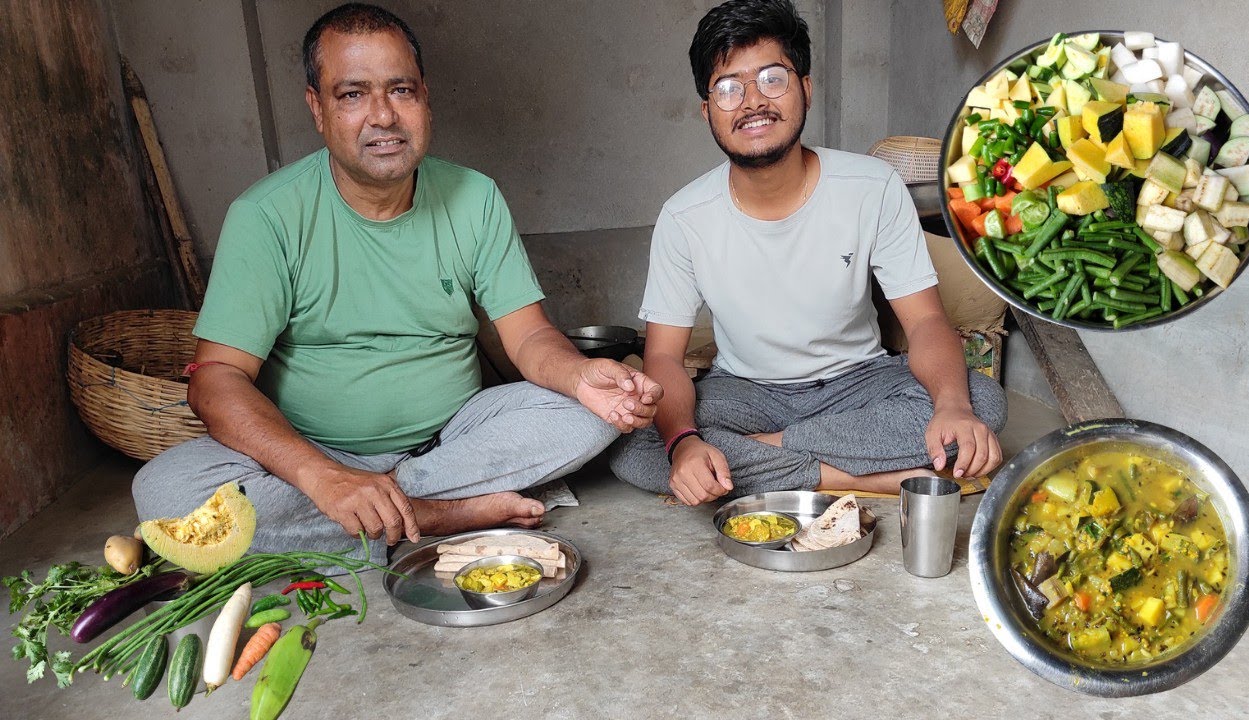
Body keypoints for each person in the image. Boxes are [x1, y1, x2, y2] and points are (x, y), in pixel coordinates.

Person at [133, 3, 661, 556]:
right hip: (311, 451)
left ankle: (378, 509)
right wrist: (322, 477)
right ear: (317, 108)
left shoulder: (475, 197)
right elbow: (216, 380)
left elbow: (528, 336)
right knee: (166, 492)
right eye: (352, 95)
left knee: (590, 414)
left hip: (451, 441)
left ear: (425, 98)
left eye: (401, 90)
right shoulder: (266, 215)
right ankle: (438, 514)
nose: (383, 116)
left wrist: (578, 376)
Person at [609, 0, 1005, 506]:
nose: (753, 101)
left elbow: (926, 321)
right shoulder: (684, 216)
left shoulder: (872, 186)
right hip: (744, 392)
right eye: (729, 88)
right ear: (708, 111)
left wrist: (951, 406)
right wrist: (685, 442)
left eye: (772, 78)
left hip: (859, 383)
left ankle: (766, 458)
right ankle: (853, 476)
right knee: (634, 440)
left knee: (981, 402)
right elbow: (663, 357)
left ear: (807, 89)